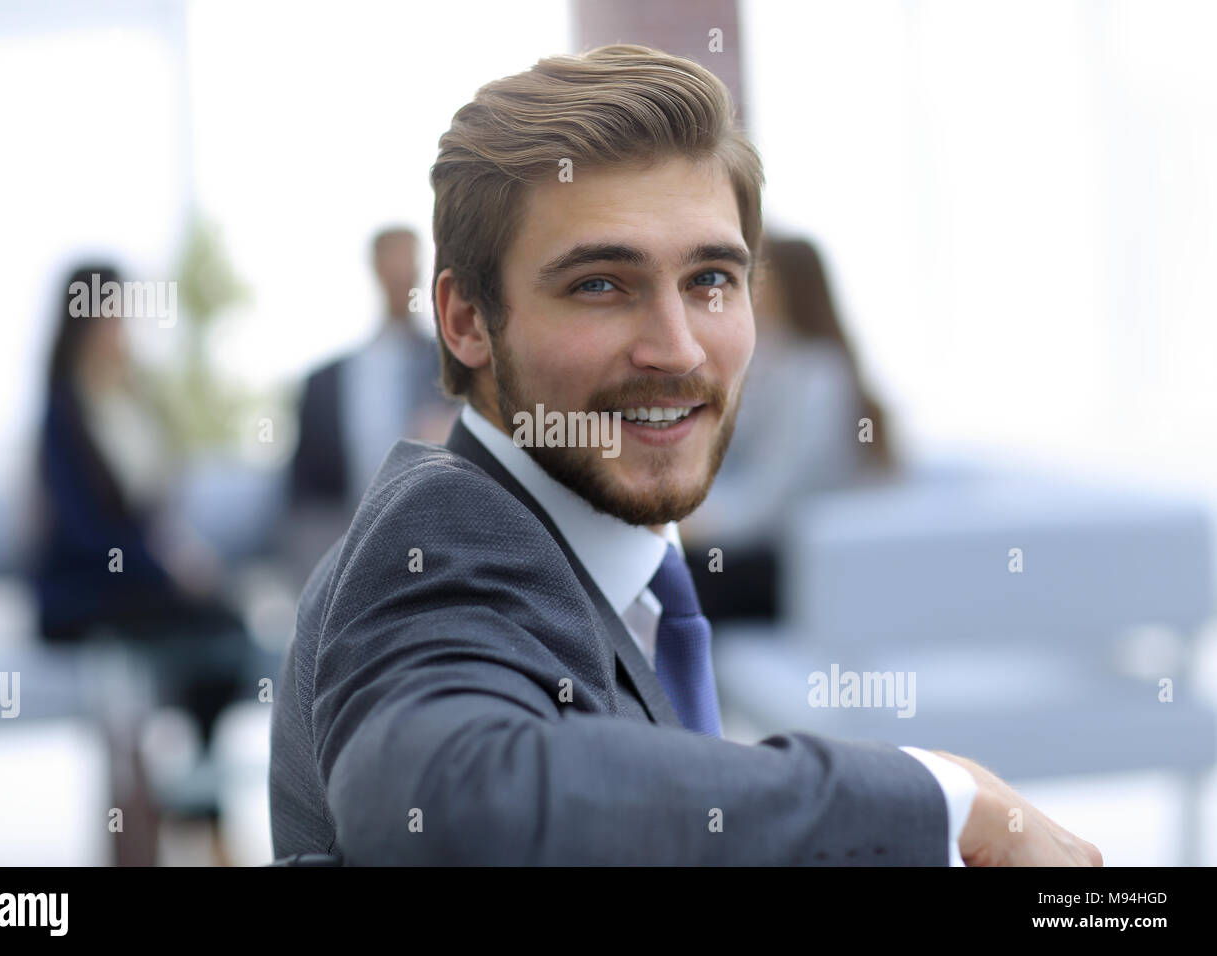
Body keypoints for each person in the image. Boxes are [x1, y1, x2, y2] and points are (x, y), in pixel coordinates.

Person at [268, 45, 1102, 866]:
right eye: (600, 283)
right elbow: (451, 799)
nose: (677, 350)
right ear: (465, 321)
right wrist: (934, 792)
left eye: (710, 280)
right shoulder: (443, 532)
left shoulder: (613, 561)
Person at [29, 262, 253, 809]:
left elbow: (156, 511)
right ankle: (195, 809)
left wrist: (177, 560)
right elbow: (84, 534)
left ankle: (194, 800)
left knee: (226, 627)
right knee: (217, 625)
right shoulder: (62, 416)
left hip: (137, 580)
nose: (120, 324)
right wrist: (164, 570)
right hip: (87, 587)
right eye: (108, 312)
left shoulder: (134, 401)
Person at [682, 235, 895, 622]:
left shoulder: (818, 377)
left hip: (788, 563)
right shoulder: (772, 364)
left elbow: (774, 499)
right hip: (762, 547)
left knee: (670, 584)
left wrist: (694, 523)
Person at [285, 227, 457, 580]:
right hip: (344, 554)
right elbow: (303, 496)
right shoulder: (326, 382)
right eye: (392, 265)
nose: (401, 276)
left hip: (436, 551)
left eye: (408, 265)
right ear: (376, 269)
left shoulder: (455, 371)